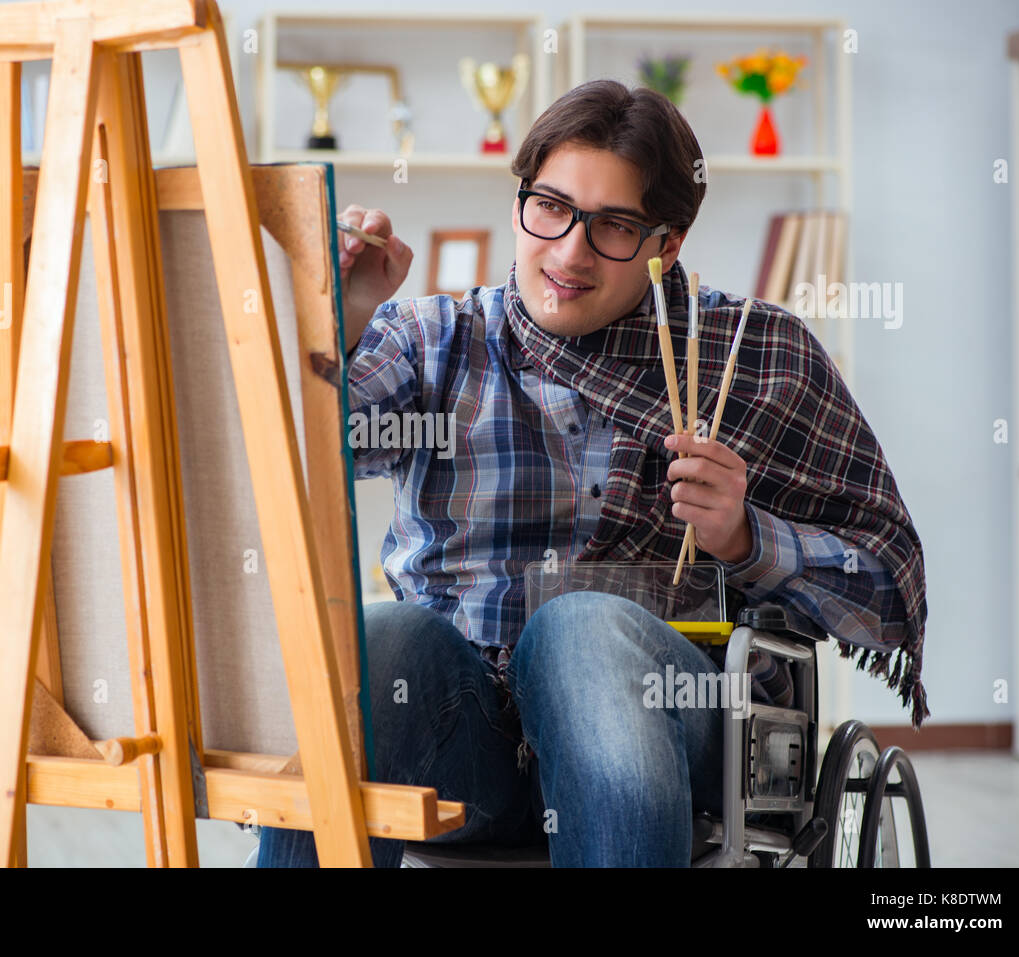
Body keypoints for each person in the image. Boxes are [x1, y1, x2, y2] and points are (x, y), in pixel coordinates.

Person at [256, 79, 927, 867]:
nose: (569, 252)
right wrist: (345, 317)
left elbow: (886, 581)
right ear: (519, 203)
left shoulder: (759, 353)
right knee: (377, 640)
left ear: (666, 244)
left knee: (581, 629)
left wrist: (749, 538)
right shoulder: (431, 339)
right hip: (470, 749)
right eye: (551, 208)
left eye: (613, 226)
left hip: (671, 724)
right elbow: (282, 462)